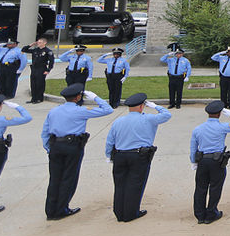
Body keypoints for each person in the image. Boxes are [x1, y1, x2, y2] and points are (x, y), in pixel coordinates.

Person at [41, 84, 113, 220]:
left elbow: (45, 132)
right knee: (69, 178)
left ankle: (50, 210)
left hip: (55, 146)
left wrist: (49, 148)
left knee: (55, 179)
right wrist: (95, 98)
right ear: (78, 97)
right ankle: (61, 209)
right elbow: (108, 109)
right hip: (72, 146)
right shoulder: (80, 111)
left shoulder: (54, 111)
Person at [105, 93, 172, 222]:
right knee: (135, 185)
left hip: (120, 155)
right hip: (138, 156)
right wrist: (155, 106)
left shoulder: (118, 121)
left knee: (120, 185)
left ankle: (119, 213)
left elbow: (110, 141)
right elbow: (167, 115)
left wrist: (108, 155)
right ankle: (130, 213)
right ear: (142, 106)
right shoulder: (148, 118)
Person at [190, 101, 230, 224]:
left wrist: (193, 161)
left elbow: (193, 148)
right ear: (220, 114)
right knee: (215, 188)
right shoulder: (223, 126)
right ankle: (211, 213)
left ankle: (200, 215)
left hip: (202, 161)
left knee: (200, 188)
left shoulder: (198, 129)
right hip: (216, 161)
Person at [20, 38, 53, 103]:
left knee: (40, 84)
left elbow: (51, 61)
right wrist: (31, 44)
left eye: (40, 42)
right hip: (34, 68)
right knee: (33, 83)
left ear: (44, 43)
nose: (38, 44)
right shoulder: (35, 50)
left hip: (41, 68)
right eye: (38, 42)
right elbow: (24, 50)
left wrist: (48, 70)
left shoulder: (47, 51)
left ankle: (39, 98)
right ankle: (33, 98)